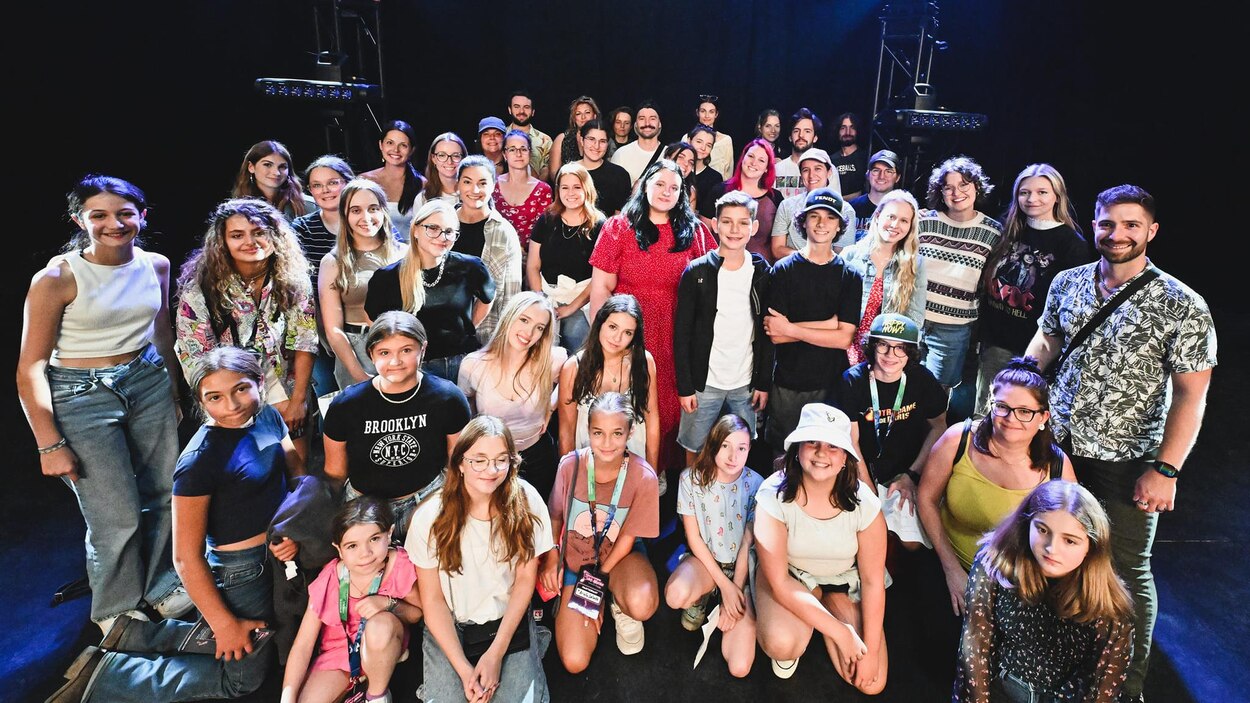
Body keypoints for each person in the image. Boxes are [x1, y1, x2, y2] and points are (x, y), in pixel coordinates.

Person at [1026, 184, 1216, 700]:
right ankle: (1055, 655)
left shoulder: (1182, 305)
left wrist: (1167, 468)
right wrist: (1020, 387)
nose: (1118, 234)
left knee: (1126, 569)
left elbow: (1191, 396)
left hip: (1127, 461)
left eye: (1131, 225)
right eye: (1108, 223)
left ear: (1151, 232)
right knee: (1050, 552)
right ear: (1093, 224)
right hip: (1057, 451)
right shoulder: (1068, 282)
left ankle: (1125, 685)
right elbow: (1047, 339)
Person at [46, 347, 302, 702]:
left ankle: (137, 636)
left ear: (260, 382)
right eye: (215, 397)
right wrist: (223, 624)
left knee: (278, 642)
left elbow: (294, 475)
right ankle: (112, 673)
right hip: (239, 571)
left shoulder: (268, 417)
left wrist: (293, 527)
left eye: (241, 389)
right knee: (243, 680)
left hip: (276, 553)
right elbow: (185, 558)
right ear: (200, 402)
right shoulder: (198, 462)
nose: (231, 405)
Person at [18, 175, 187, 635]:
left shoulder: (156, 264)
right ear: (80, 220)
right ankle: (115, 610)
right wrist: (48, 444)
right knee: (115, 514)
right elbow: (30, 366)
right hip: (80, 393)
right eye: (99, 215)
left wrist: (172, 392)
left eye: (125, 213)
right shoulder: (58, 276)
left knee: (165, 494)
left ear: (142, 215)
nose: (114, 223)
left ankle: (160, 586)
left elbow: (162, 333)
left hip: (146, 380)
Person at [407, 416, 555, 703]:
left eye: (501, 459)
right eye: (479, 460)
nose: (492, 470)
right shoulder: (429, 517)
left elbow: (525, 579)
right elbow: (433, 600)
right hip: (452, 624)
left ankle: (531, 642)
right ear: (460, 463)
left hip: (504, 619)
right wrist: (464, 670)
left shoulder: (528, 501)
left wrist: (496, 654)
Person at [588, 159, 716, 486]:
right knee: (629, 402)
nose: (666, 192)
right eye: (659, 184)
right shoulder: (618, 227)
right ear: (645, 185)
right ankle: (624, 475)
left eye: (674, 188)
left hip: (677, 332)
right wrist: (598, 342)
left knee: (670, 407)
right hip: (629, 331)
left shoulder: (696, 231)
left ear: (682, 194)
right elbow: (601, 287)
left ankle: (657, 475)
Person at [918, 357, 1077, 617]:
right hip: (952, 567)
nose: (1011, 418)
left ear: (1043, 417)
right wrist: (951, 570)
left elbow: (1069, 534)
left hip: (1020, 584)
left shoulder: (1057, 466)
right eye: (1002, 407)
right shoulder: (959, 439)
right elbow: (926, 499)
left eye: (1025, 411)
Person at [954, 480, 1134, 702]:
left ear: (1091, 547)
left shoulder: (1109, 603)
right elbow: (975, 648)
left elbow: (1099, 689)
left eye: (1069, 541)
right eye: (1042, 530)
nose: (1051, 548)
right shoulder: (994, 562)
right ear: (1026, 523)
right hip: (1004, 689)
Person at [752, 403, 888, 692]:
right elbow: (778, 580)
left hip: (842, 581)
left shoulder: (866, 504)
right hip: (790, 578)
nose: (821, 452)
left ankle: (828, 604)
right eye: (812, 442)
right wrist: (841, 633)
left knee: (872, 683)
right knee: (782, 644)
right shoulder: (772, 495)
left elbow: (874, 581)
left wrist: (871, 651)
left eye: (833, 446)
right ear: (798, 449)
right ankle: (813, 618)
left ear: (845, 459)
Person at [176, 198, 318, 460]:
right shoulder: (200, 287)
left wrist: (298, 400)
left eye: (259, 233)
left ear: (274, 236)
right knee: (246, 468)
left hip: (282, 379)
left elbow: (305, 340)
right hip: (229, 386)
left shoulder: (293, 278)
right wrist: (225, 403)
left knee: (295, 466)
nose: (249, 242)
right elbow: (196, 355)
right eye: (237, 235)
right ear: (223, 242)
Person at [322, 311, 472, 543]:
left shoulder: (448, 397)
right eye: (384, 352)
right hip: (365, 507)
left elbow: (457, 462)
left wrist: (450, 506)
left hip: (427, 499)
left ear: (423, 349)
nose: (395, 361)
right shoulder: (347, 404)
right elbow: (335, 472)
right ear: (371, 354)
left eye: (406, 350)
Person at [541, 392, 661, 668]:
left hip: (618, 559)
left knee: (642, 604)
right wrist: (552, 556)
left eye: (617, 433)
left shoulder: (643, 477)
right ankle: (603, 596)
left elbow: (628, 538)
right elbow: (555, 516)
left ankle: (618, 600)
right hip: (575, 558)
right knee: (574, 661)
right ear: (588, 431)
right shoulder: (570, 465)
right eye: (598, 433)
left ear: (630, 433)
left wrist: (596, 586)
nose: (607, 443)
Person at [281, 497, 423, 703]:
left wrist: (387, 603)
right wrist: (288, 697)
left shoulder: (399, 564)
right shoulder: (331, 577)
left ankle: (376, 694)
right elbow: (303, 644)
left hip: (382, 640)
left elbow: (418, 613)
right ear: (338, 549)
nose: (365, 554)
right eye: (352, 546)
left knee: (379, 626)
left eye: (374, 539)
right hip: (338, 654)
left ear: (389, 534)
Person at [976, 164, 1090, 415]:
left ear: (1057, 196)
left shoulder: (1072, 246)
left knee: (1022, 417)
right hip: (996, 344)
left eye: (1042, 192)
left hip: (1038, 349)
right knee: (987, 414)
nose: (1032, 199)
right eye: (1024, 192)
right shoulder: (1005, 230)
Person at [674, 191, 773, 465]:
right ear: (715, 224)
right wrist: (685, 386)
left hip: (745, 382)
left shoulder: (762, 272)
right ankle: (692, 500)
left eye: (743, 223)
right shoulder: (696, 272)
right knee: (695, 446)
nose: (735, 229)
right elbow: (681, 333)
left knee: (740, 448)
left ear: (754, 227)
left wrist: (763, 382)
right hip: (704, 382)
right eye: (727, 222)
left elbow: (766, 333)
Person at [832, 314, 946, 549]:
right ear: (872, 346)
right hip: (860, 471)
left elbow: (939, 426)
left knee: (911, 544)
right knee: (864, 535)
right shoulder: (853, 381)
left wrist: (912, 476)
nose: (890, 355)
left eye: (900, 348)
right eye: (883, 345)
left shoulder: (922, 380)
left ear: (911, 352)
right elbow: (851, 442)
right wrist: (869, 492)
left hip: (903, 472)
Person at [763, 188, 862, 450]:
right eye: (814, 216)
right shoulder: (782, 270)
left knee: (823, 455)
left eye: (830, 217)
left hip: (831, 383)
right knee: (782, 457)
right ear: (802, 221)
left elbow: (844, 339)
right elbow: (775, 333)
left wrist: (791, 328)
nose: (821, 224)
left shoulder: (850, 275)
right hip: (788, 382)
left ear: (840, 225)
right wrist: (829, 325)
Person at [664, 414, 762, 677]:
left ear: (749, 449)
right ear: (713, 445)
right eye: (726, 446)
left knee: (739, 667)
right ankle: (705, 594)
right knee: (675, 596)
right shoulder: (690, 480)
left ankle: (731, 602)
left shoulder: (757, 484)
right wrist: (724, 585)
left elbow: (746, 543)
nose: (733, 456)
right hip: (707, 561)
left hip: (742, 568)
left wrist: (736, 591)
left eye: (741, 448)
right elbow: (693, 537)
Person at [364, 200, 495, 384]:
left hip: (463, 362)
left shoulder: (470, 267)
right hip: (417, 367)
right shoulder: (387, 278)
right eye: (433, 228)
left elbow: (488, 297)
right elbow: (373, 320)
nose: (442, 237)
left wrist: (468, 327)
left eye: (449, 232)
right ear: (416, 229)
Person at [458, 292, 567, 500]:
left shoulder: (552, 360)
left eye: (539, 328)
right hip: (491, 462)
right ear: (509, 317)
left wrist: (550, 408)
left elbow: (575, 379)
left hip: (537, 456)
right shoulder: (474, 365)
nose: (529, 332)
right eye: (524, 320)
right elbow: (466, 412)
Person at [916, 156, 1002, 390]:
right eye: (948, 187)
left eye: (964, 185)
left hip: (954, 327)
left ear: (977, 187)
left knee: (937, 395)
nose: (956, 192)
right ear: (940, 192)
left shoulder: (993, 231)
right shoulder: (924, 222)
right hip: (913, 318)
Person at [318, 179, 407, 390]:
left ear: (384, 211)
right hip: (356, 351)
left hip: (403, 346)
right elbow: (333, 330)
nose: (366, 217)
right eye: (356, 210)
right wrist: (360, 375)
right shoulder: (333, 262)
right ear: (345, 216)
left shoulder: (405, 253)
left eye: (373, 208)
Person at [557, 294, 661, 473]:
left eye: (627, 332)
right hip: (588, 464)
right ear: (600, 323)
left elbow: (652, 421)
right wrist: (569, 477)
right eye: (613, 327)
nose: (617, 338)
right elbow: (566, 431)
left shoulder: (644, 361)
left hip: (633, 461)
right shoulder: (574, 367)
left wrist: (651, 473)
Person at [839, 190, 927, 365]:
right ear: (878, 216)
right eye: (891, 216)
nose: (895, 225)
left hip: (885, 353)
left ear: (911, 225)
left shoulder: (916, 263)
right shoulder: (850, 255)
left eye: (904, 220)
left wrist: (893, 354)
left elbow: (915, 318)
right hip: (842, 349)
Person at [527, 163, 606, 353]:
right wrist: (541, 300)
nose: (570, 193)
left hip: (581, 299)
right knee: (542, 344)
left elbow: (599, 278)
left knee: (574, 337)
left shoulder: (599, 224)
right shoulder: (547, 218)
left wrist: (571, 307)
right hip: (547, 295)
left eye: (577, 187)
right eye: (565, 187)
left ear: (586, 189)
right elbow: (533, 266)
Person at [454, 155, 522, 345]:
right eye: (467, 182)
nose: (475, 190)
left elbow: (511, 292)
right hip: (443, 332)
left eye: (482, 183)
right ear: (457, 184)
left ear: (493, 186)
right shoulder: (443, 223)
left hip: (487, 334)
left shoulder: (504, 231)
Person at [771, 147, 858, 260]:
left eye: (818, 169)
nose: (811, 175)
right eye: (806, 170)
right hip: (793, 271)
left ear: (829, 172)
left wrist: (819, 263)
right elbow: (777, 249)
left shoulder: (845, 209)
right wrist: (806, 258)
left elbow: (844, 255)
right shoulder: (786, 205)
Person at [705, 139, 782, 262]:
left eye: (761, 160)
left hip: (761, 274)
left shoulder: (775, 198)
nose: (753, 163)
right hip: (720, 268)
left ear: (767, 168)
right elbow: (704, 234)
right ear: (743, 158)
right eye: (750, 156)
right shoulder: (719, 191)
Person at [293, 155, 357, 292]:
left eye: (332, 183)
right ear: (310, 190)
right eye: (317, 185)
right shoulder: (302, 228)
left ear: (348, 182)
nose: (325, 190)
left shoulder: (368, 220)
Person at [360, 120, 426, 241]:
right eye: (390, 143)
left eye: (403, 145)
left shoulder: (422, 184)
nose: (396, 150)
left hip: (409, 253)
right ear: (381, 145)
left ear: (412, 150)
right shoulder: (364, 181)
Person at [493, 129, 554, 258]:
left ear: (530, 153)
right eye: (512, 149)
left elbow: (544, 232)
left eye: (523, 149)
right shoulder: (493, 186)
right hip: (496, 256)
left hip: (531, 258)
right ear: (504, 154)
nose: (518, 153)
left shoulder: (543, 190)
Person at [231, 139, 311, 220]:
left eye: (282, 167)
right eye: (267, 165)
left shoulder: (310, 206)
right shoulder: (234, 210)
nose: (276, 173)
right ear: (251, 167)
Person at [575, 119, 631, 216]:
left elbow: (620, 219)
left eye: (602, 141)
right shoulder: (568, 172)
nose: (596, 146)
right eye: (591, 139)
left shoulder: (620, 175)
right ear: (581, 140)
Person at [848, 150, 901, 242]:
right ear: (868, 175)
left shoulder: (904, 212)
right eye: (876, 170)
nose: (881, 176)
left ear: (897, 177)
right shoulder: (851, 208)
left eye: (888, 171)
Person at [773, 108, 826, 200]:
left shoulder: (827, 169)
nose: (801, 135)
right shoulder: (777, 169)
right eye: (796, 131)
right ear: (790, 137)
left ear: (815, 138)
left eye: (807, 131)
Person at [610, 100, 663, 185]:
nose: (647, 123)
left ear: (659, 123)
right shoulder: (621, 154)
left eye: (652, 118)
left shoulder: (669, 154)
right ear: (635, 124)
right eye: (642, 118)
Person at [506, 90, 553, 181]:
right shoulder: (500, 136)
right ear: (509, 110)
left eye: (526, 107)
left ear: (533, 112)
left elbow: (546, 170)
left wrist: (536, 189)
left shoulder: (545, 140)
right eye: (516, 107)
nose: (521, 111)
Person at [686, 94, 734, 181]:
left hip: (717, 186)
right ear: (697, 112)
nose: (707, 116)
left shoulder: (725, 140)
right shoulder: (687, 137)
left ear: (716, 114)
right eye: (703, 111)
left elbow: (729, 172)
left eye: (711, 112)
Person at [416, 132, 467, 209]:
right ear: (433, 158)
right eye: (442, 155)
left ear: (463, 159)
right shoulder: (422, 199)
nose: (449, 162)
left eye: (456, 155)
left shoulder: (473, 194)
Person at [550, 95, 600, 172]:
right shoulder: (562, 139)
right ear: (574, 118)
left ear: (594, 116)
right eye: (578, 114)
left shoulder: (603, 139)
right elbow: (554, 172)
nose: (583, 117)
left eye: (587, 112)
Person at [688, 125, 725, 225]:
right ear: (689, 141)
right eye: (699, 142)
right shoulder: (677, 170)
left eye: (708, 145)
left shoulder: (715, 178)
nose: (703, 148)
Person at [830, 112, 867, 199]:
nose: (848, 132)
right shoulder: (831, 160)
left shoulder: (865, 158)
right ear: (838, 131)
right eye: (843, 128)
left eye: (852, 127)